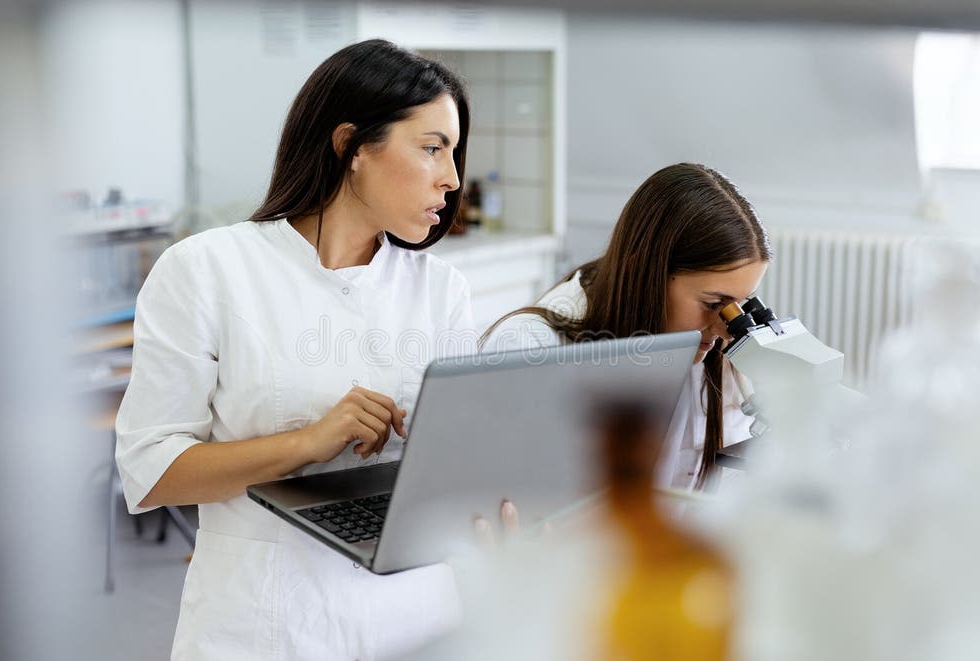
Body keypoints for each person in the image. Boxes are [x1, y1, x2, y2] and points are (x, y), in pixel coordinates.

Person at [116, 39, 476, 660]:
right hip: (266, 625)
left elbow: (463, 463)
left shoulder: (442, 290)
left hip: (416, 617)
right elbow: (152, 472)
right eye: (431, 148)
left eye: (454, 151)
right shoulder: (207, 270)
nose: (451, 177)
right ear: (351, 147)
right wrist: (306, 443)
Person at [481, 163, 772, 490]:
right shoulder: (532, 347)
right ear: (649, 274)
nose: (725, 329)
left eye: (738, 307)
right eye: (713, 304)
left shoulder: (712, 355)